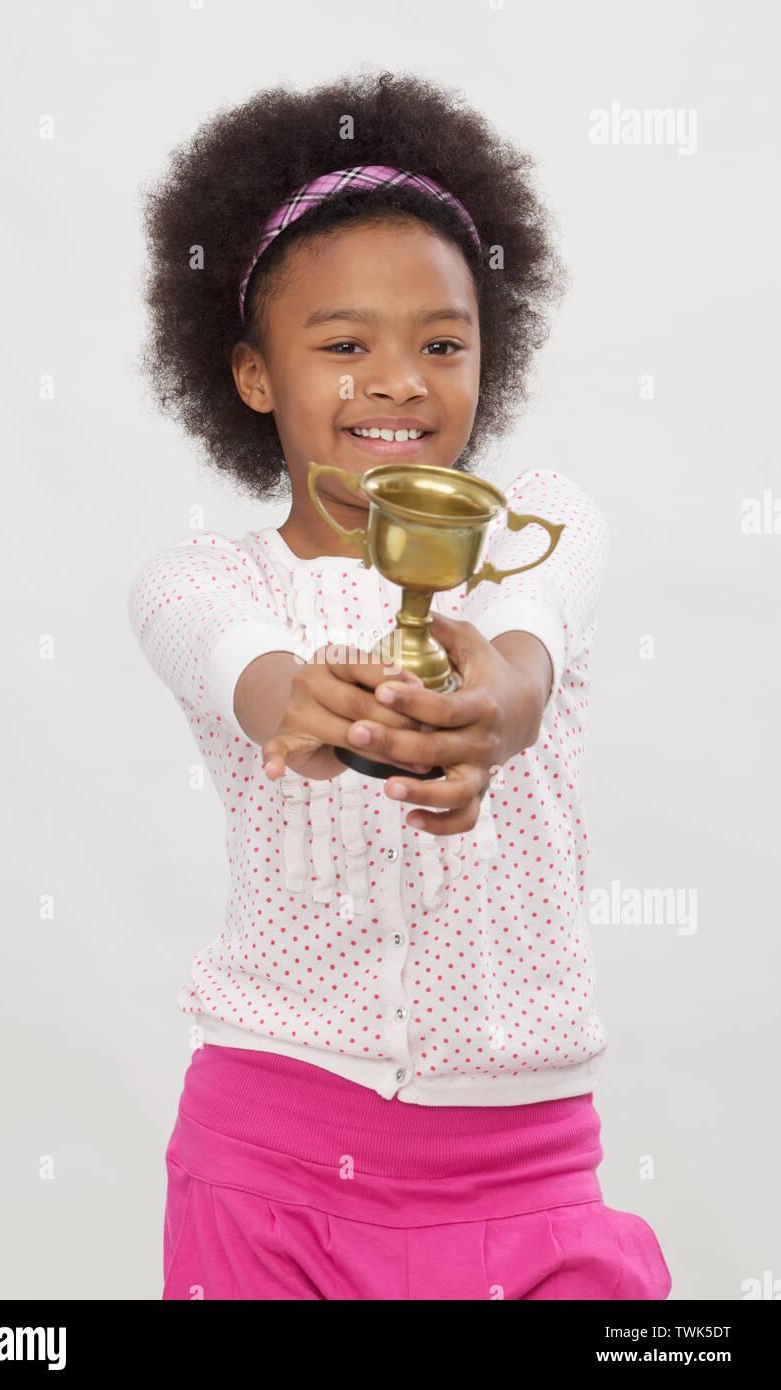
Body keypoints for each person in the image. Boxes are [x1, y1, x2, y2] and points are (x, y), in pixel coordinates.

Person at [128, 70, 672, 1301]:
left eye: (441, 342)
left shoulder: (534, 526)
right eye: (341, 346)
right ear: (254, 376)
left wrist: (501, 706)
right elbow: (227, 656)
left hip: (525, 1166)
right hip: (268, 1157)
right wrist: (296, 704)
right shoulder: (208, 579)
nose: (397, 380)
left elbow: (530, 640)